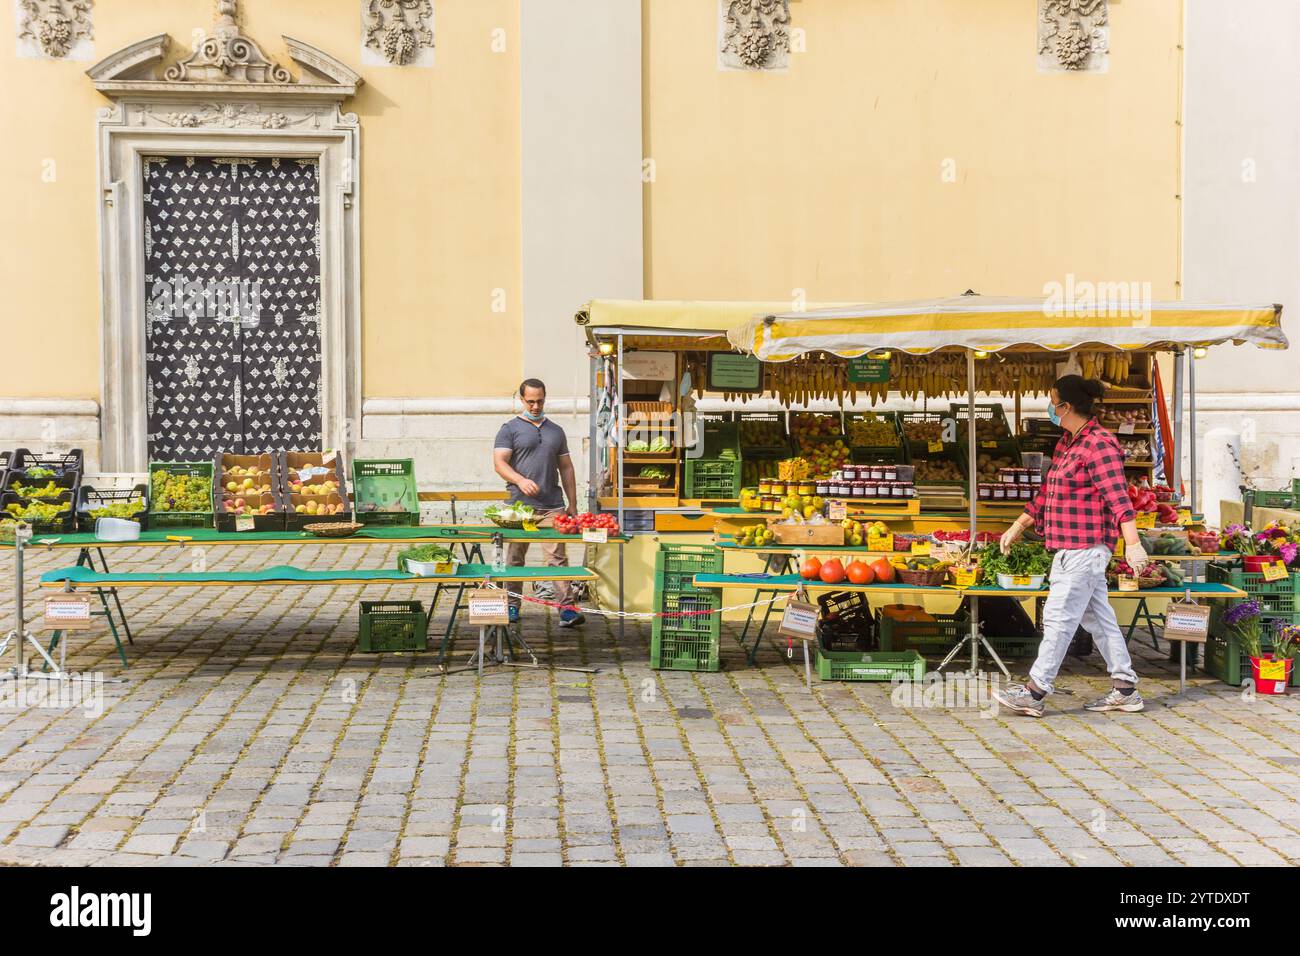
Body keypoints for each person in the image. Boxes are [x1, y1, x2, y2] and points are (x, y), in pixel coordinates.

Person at [991, 374, 1149, 717]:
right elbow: (1047, 493)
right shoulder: (1067, 442)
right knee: (1099, 620)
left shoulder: (1100, 444)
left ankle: (1034, 692)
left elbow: (1118, 497)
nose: (1050, 407)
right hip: (1066, 546)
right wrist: (1019, 524)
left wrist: (1132, 542)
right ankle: (1125, 688)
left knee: (1059, 618)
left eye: (1053, 401)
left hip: (1088, 546)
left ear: (1067, 405)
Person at [492, 379, 585, 628]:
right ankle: (511, 605)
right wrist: (520, 480)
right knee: (514, 559)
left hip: (552, 504)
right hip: (519, 507)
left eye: (540, 400)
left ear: (545, 398)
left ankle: (566, 609)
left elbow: (566, 468)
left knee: (557, 557)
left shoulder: (556, 430)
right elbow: (500, 463)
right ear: (521, 400)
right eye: (530, 401)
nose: (535, 405)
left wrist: (572, 503)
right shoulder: (509, 429)